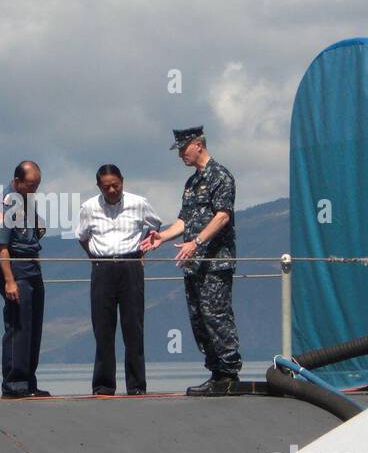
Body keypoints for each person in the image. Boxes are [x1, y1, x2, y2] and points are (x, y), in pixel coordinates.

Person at [142, 126, 243, 396]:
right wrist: (161, 238)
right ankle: (215, 372)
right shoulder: (192, 183)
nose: (180, 156)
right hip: (193, 264)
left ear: (198, 145)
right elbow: (184, 221)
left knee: (217, 316)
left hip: (214, 262)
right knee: (199, 319)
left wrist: (196, 243)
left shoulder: (220, 176)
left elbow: (222, 216)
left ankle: (229, 373)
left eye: (183, 149)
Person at [74, 164, 161, 395]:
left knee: (133, 327)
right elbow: (82, 236)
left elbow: (156, 226)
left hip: (131, 265)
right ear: (98, 186)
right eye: (106, 187)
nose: (112, 190)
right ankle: (103, 385)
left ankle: (136, 385)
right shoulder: (89, 207)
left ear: (123, 180)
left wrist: (143, 248)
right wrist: (94, 257)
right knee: (103, 329)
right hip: (102, 267)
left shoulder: (138, 203)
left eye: (116, 185)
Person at [0, 161, 50, 398]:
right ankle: (15, 382)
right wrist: (9, 281)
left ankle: (29, 380)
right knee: (19, 327)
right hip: (16, 266)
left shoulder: (26, 200)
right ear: (17, 181)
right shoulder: (5, 203)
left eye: (36, 185)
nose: (33, 189)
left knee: (33, 327)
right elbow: (2, 246)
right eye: (30, 185)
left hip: (33, 265)